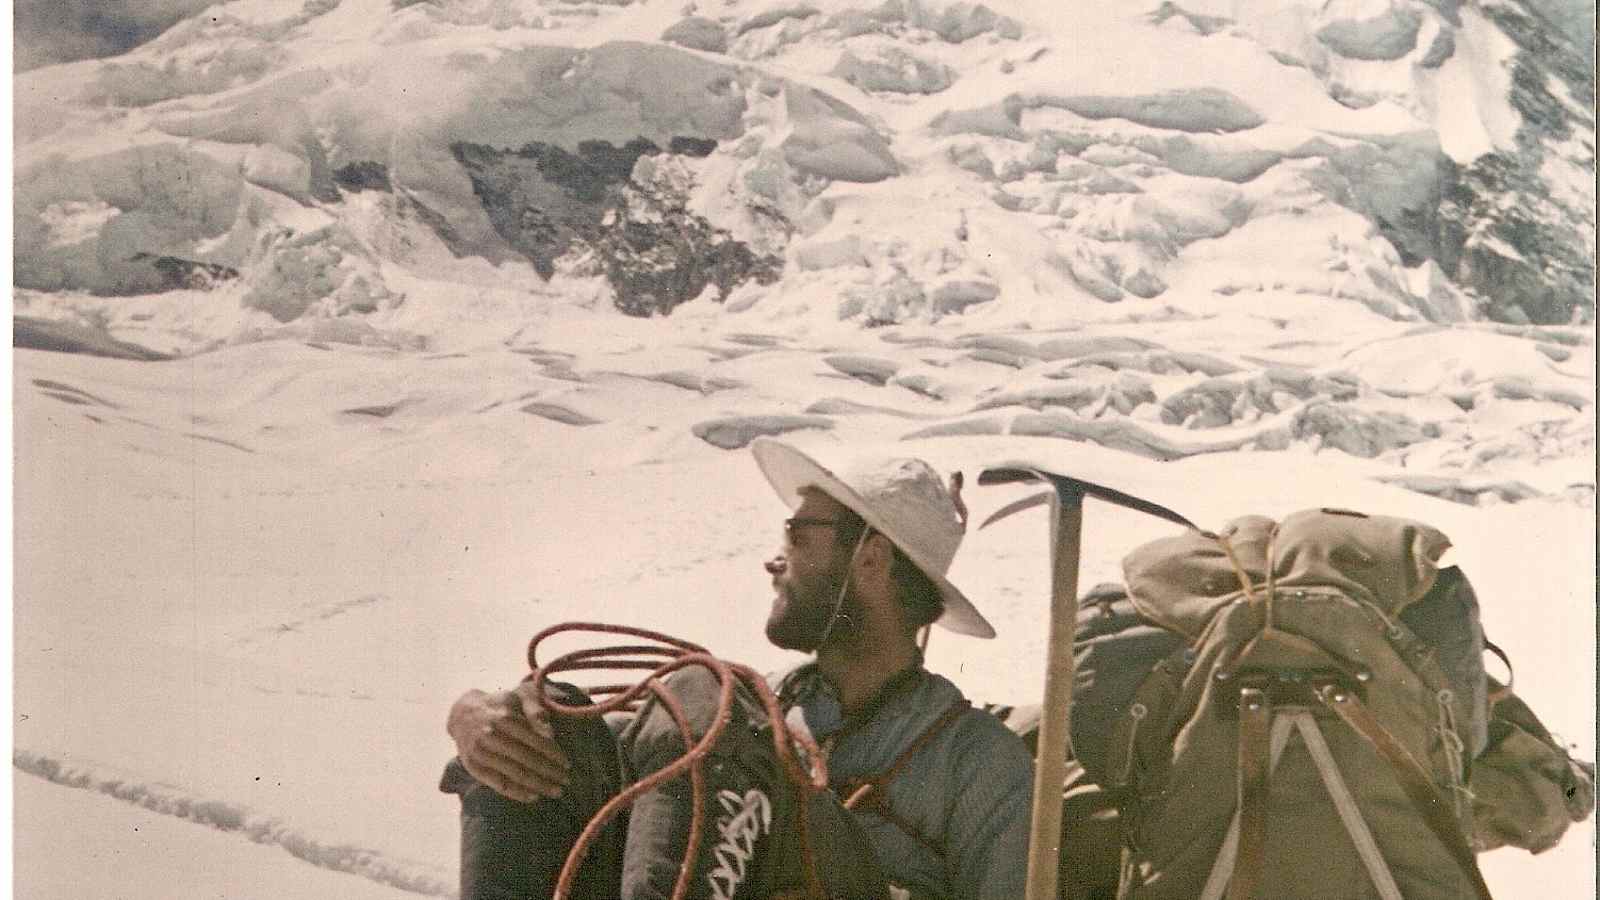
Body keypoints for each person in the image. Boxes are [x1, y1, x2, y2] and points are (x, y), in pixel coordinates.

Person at [443, 438, 1036, 899]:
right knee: (553, 716)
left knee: (702, 692)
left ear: (872, 558)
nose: (774, 560)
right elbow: (607, 754)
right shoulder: (756, 712)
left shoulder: (979, 763)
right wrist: (484, 718)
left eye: (798, 535)